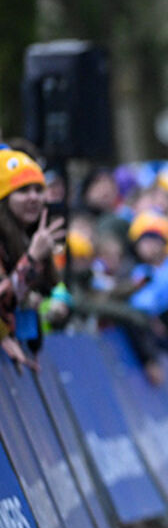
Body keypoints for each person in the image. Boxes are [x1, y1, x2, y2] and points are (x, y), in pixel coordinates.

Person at [0, 149, 66, 369]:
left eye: (38, 190)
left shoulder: (34, 236)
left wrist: (59, 302)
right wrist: (32, 258)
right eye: (22, 190)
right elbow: (4, 297)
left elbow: (55, 288)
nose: (34, 197)